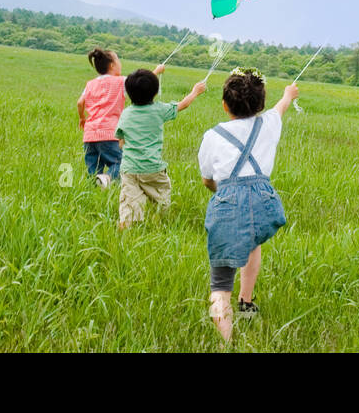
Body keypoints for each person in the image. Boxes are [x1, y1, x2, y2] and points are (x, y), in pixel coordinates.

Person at [197, 68, 298, 341]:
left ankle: (226, 343)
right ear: (261, 105)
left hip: (229, 202)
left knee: (219, 286)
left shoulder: (213, 136)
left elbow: (207, 180)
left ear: (224, 105)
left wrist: (224, 192)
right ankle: (247, 302)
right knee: (253, 241)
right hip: (264, 204)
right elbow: (281, 107)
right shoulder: (269, 123)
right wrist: (289, 93)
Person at [116, 67, 207, 228]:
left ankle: (126, 228)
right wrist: (195, 91)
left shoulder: (126, 113)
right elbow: (182, 105)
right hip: (153, 168)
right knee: (161, 198)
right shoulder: (159, 110)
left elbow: (121, 141)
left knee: (129, 203)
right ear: (155, 92)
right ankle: (158, 221)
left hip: (129, 169)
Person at [77, 47, 131, 186]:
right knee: (120, 163)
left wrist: (82, 118)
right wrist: (156, 71)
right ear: (112, 65)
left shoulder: (90, 84)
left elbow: (80, 102)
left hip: (89, 135)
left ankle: (95, 192)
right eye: (118, 59)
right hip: (109, 134)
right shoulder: (120, 81)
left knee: (93, 171)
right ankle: (106, 179)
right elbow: (141, 83)